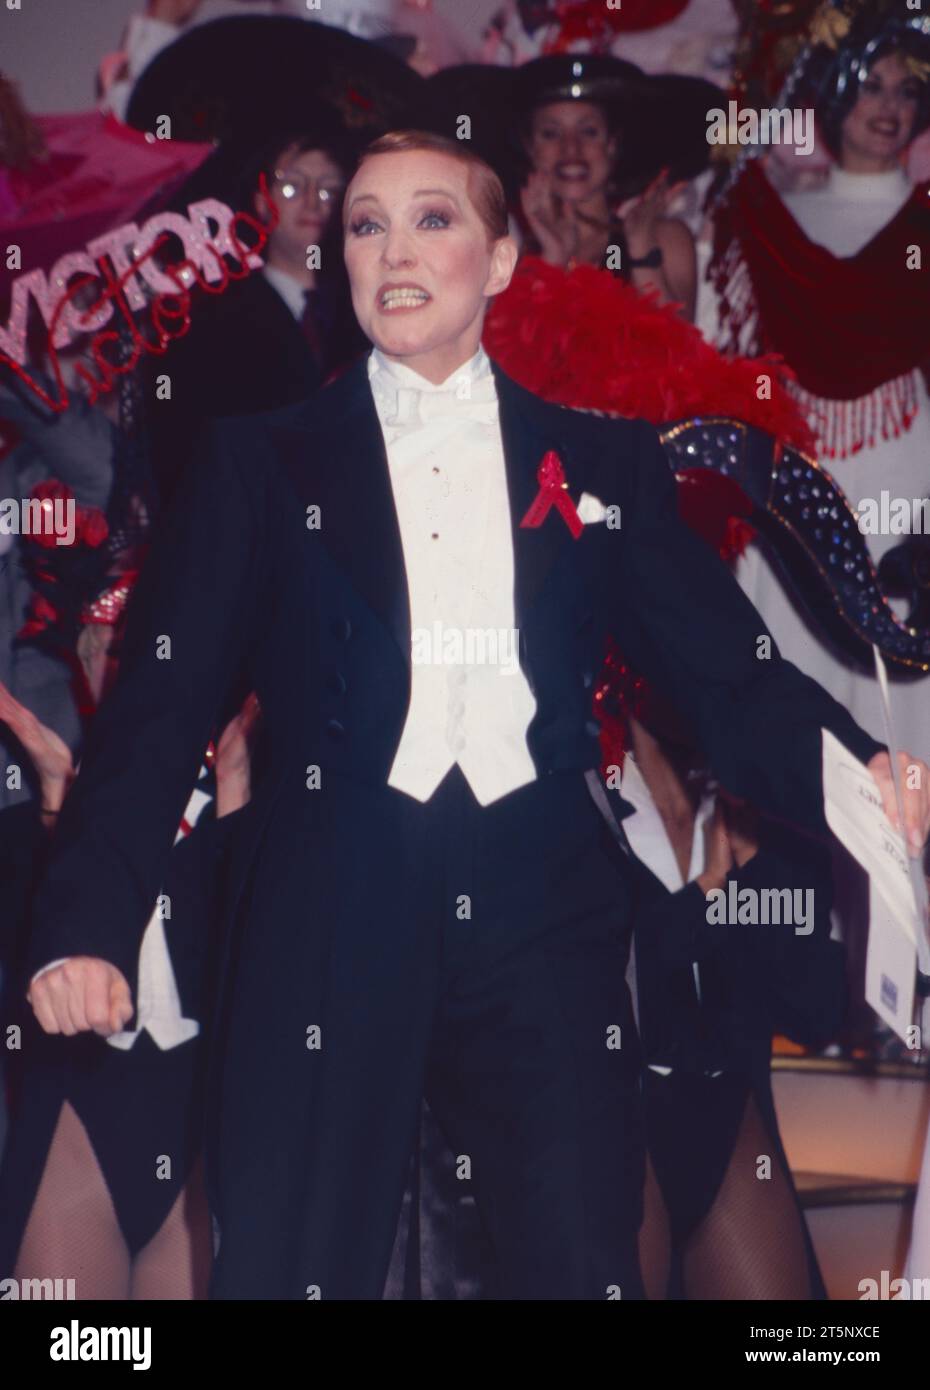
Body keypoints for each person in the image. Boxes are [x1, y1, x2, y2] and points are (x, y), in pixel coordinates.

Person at [23, 130, 930, 1301]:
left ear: (500, 260)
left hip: (543, 913)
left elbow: (734, 676)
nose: (395, 251)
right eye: (365, 224)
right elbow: (156, 703)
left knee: (578, 1259)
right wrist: (88, 920)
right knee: (297, 1265)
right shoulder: (258, 465)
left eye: (433, 219)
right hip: (325, 907)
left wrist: (869, 769)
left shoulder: (603, 462)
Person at [708, 7, 930, 757]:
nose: (891, 106)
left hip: (907, 481)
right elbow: (721, 362)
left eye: (908, 89)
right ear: (832, 94)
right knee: (799, 718)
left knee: (906, 713)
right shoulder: (767, 221)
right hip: (797, 490)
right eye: (871, 85)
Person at [145, 124, 367, 504]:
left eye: (330, 189)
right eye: (293, 187)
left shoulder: (363, 312)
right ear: (262, 203)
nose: (314, 202)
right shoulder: (214, 318)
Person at [514, 54, 697, 316]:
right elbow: (507, 354)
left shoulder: (665, 238)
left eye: (588, 131)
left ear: (612, 145)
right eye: (551, 133)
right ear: (531, 149)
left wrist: (641, 248)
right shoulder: (511, 257)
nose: (571, 148)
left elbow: (684, 353)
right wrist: (553, 258)